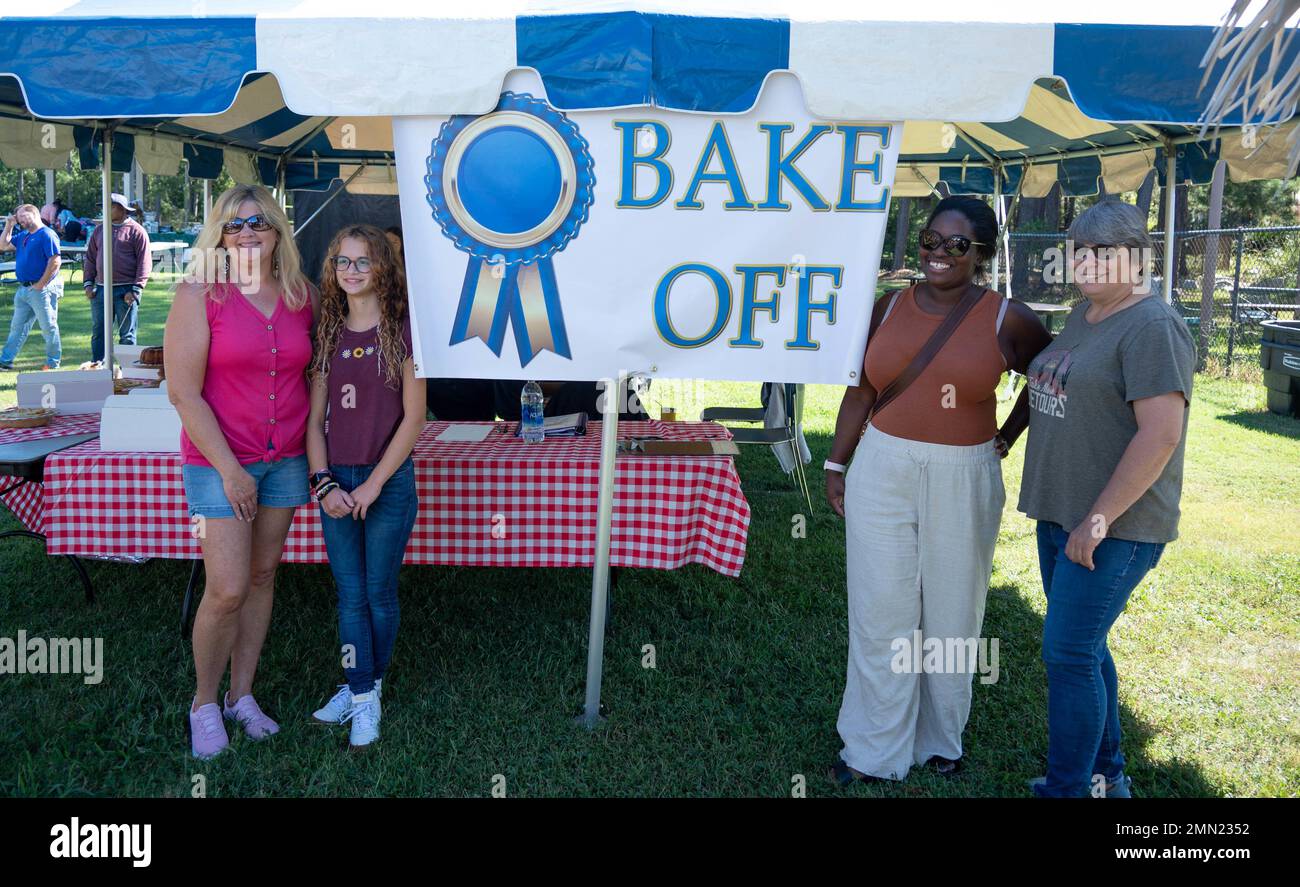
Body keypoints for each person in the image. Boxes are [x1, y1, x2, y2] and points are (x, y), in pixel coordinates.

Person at [824, 195, 1053, 785]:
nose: (938, 254)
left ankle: (939, 738)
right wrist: (835, 461)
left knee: (953, 608)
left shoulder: (1009, 318)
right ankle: (873, 749)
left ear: (980, 254)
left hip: (964, 471)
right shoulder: (886, 306)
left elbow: (1049, 376)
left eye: (956, 245)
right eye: (929, 240)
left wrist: (1005, 436)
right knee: (881, 608)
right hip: (881, 464)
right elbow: (861, 389)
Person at [1019, 201, 1194, 798]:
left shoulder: (1151, 326)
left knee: (1068, 653)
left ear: (1138, 257)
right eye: (1079, 250)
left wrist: (1098, 520)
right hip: (1061, 514)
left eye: (1103, 251)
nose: (1087, 262)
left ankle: (1068, 790)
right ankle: (1105, 778)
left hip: (1112, 529)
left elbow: (1161, 433)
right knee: (1084, 650)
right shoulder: (1086, 315)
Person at [164, 184, 318, 759]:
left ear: (277, 231)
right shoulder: (200, 294)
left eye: (258, 222)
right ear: (220, 236)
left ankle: (241, 695)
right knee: (226, 588)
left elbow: (316, 375)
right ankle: (204, 704)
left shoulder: (303, 295)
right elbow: (183, 393)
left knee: (260, 578)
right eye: (234, 224)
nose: (247, 231)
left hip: (285, 461)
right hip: (218, 462)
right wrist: (232, 471)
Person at [306, 225, 425, 750]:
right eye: (341, 262)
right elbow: (313, 424)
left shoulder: (405, 333)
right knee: (349, 597)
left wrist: (375, 484)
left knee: (378, 594)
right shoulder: (328, 332)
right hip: (337, 482)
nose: (350, 271)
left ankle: (366, 691)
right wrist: (324, 484)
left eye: (362, 261)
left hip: (388, 482)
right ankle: (361, 689)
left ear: (383, 268)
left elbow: (414, 420)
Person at [85, 193, 151, 363]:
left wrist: (136, 289)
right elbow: (91, 258)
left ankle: (128, 371)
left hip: (127, 290)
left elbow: (144, 263)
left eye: (110, 206)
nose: (105, 210)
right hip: (100, 289)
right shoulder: (99, 231)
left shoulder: (136, 231)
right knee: (99, 331)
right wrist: (88, 284)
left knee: (127, 334)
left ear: (122, 209)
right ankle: (97, 370)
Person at [0, 204, 63, 371]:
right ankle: (5, 361)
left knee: (48, 327)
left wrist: (41, 285)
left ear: (33, 214)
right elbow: (3, 246)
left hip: (41, 290)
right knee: (17, 327)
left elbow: (55, 261)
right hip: (23, 290)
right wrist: (9, 225)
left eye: (22, 216)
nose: (19, 219)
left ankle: (52, 364)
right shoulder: (24, 236)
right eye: (17, 217)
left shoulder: (47, 234)